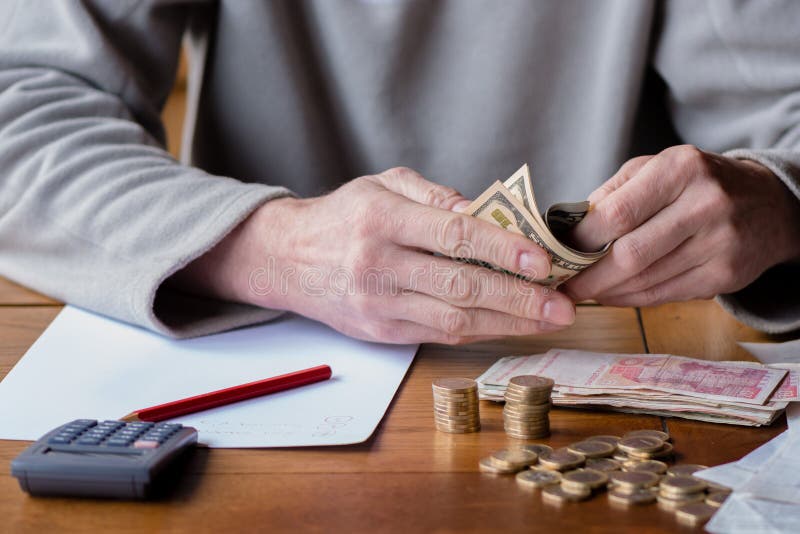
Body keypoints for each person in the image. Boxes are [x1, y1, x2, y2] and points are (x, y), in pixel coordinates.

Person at [0, 0, 798, 343]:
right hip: (259, 368)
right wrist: (271, 250)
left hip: (603, 375)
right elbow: (22, 107)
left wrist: (778, 200)